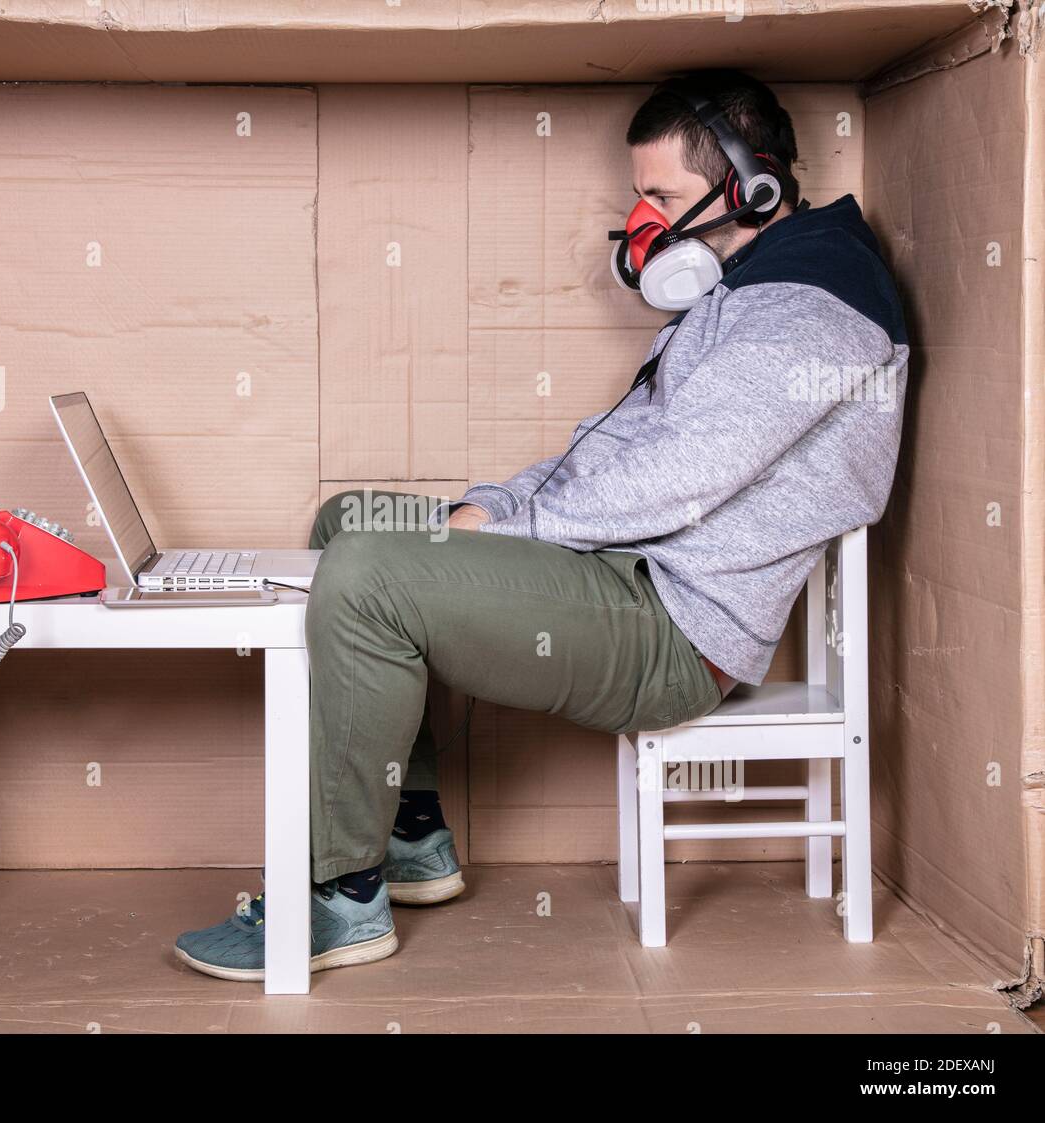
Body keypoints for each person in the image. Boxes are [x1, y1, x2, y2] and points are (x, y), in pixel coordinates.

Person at [174, 69, 908, 981]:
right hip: (624, 576)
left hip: (674, 629)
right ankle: (409, 840)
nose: (646, 222)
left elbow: (677, 482)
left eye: (662, 197)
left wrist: (514, 532)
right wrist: (497, 505)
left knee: (366, 575)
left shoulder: (809, 308)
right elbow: (608, 455)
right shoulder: (742, 290)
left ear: (753, 186)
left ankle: (336, 897)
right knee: (347, 523)